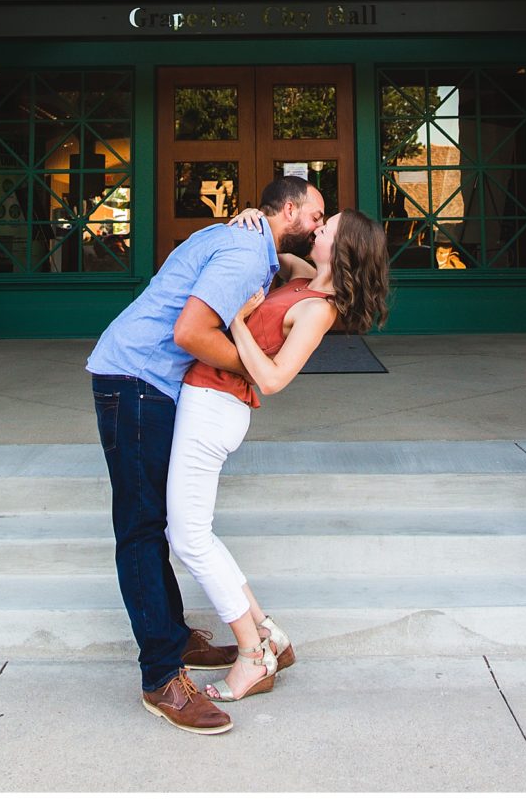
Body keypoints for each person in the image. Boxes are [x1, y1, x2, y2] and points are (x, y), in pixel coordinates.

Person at [86, 174, 325, 735]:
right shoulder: (245, 252)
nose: (317, 226)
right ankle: (161, 677)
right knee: (142, 528)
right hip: (135, 379)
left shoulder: (252, 245)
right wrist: (256, 371)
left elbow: (312, 273)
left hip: (142, 379)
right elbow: (192, 332)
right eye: (315, 215)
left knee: (160, 519)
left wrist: (254, 220)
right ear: (288, 211)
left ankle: (174, 636)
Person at [165, 207, 391, 702]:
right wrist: (251, 215)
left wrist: (238, 322)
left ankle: (253, 655)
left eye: (326, 228)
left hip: (218, 408)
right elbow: (275, 249)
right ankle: (266, 631)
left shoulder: (319, 308)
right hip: (204, 398)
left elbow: (273, 378)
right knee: (192, 533)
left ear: (344, 245)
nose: (317, 229)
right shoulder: (305, 274)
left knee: (188, 538)